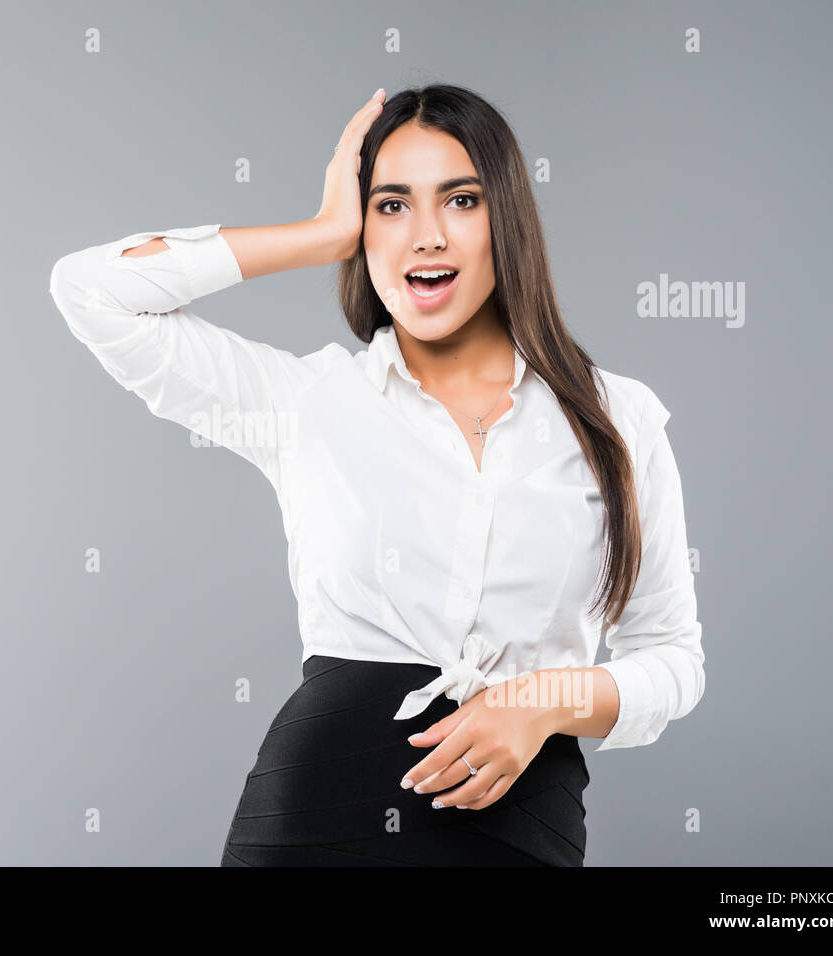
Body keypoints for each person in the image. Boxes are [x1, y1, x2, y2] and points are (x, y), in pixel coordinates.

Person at [48, 84, 705, 866]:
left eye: (460, 199)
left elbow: (671, 659)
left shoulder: (617, 420)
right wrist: (321, 232)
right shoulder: (307, 403)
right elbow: (90, 291)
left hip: (519, 828)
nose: (425, 236)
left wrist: (539, 702)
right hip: (314, 819)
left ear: (508, 219)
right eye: (391, 206)